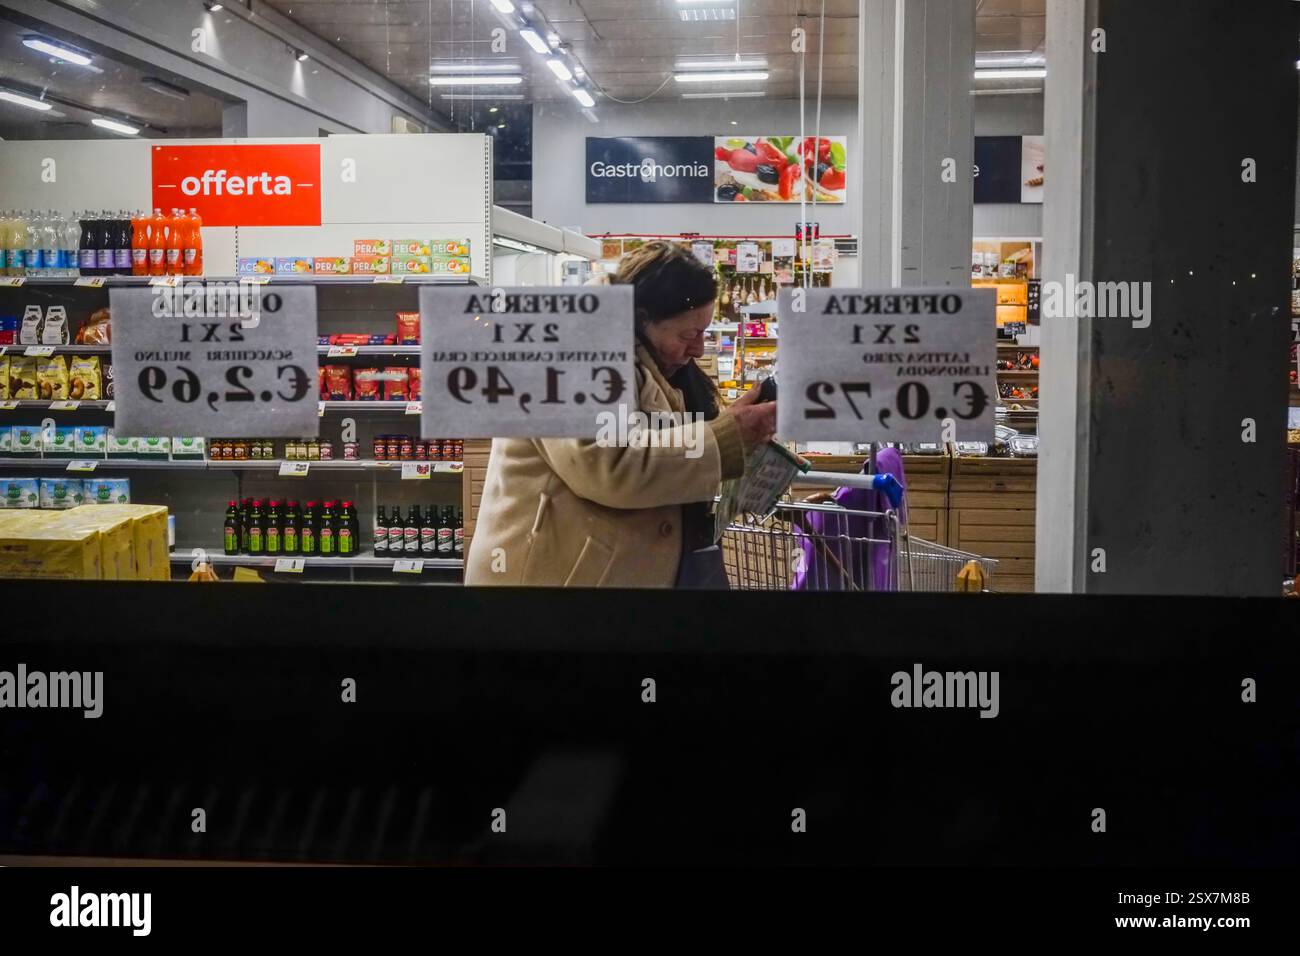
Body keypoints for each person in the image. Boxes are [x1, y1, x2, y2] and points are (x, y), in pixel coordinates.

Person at [465, 240, 777, 588]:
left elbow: (651, 439)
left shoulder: (641, 358)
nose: (699, 348)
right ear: (643, 319)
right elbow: (606, 463)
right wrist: (725, 438)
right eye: (689, 334)